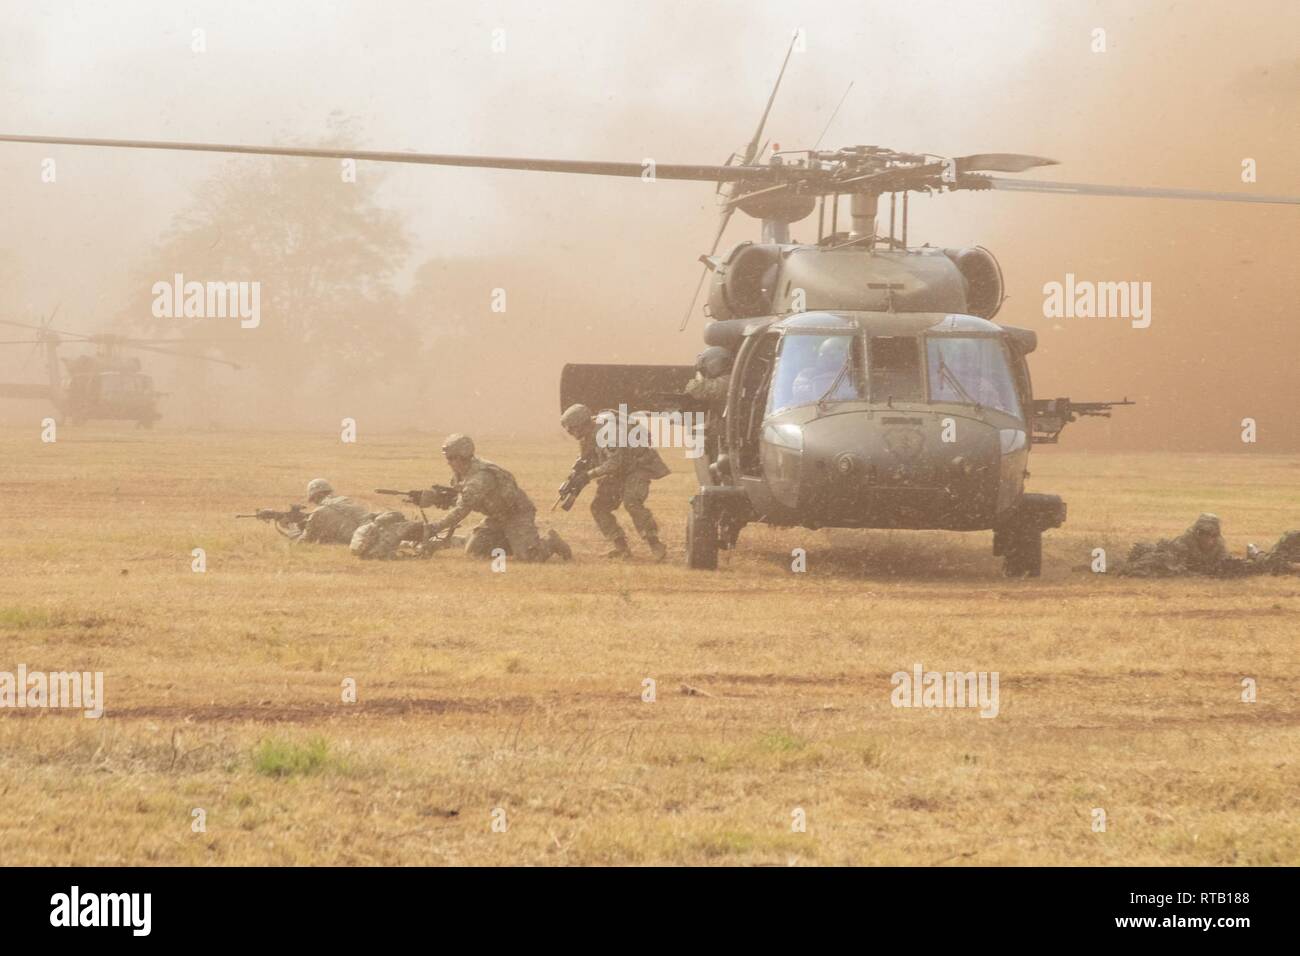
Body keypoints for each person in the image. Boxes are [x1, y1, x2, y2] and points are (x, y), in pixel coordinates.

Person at [422, 434, 570, 562]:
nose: (448, 462)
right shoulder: (461, 475)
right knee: (476, 551)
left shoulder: (481, 476)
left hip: (516, 514)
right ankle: (515, 541)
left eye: (450, 458)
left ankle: (550, 542)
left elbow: (462, 509)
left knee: (529, 557)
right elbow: (464, 499)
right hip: (496, 517)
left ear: (462, 457)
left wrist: (435, 527)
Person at [560, 404, 670, 560]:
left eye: (572, 428)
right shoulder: (588, 434)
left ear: (582, 424)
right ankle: (621, 548)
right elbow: (589, 459)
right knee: (599, 507)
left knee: (632, 501)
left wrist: (588, 476)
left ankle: (655, 544)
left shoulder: (607, 433)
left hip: (637, 466)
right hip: (617, 472)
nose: (570, 433)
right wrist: (577, 479)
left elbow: (614, 463)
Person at [296, 478, 371, 544]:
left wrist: (293, 531)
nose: (315, 502)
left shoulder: (319, 512)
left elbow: (305, 541)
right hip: (368, 533)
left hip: (358, 539)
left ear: (317, 495)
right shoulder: (345, 500)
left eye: (313, 499)